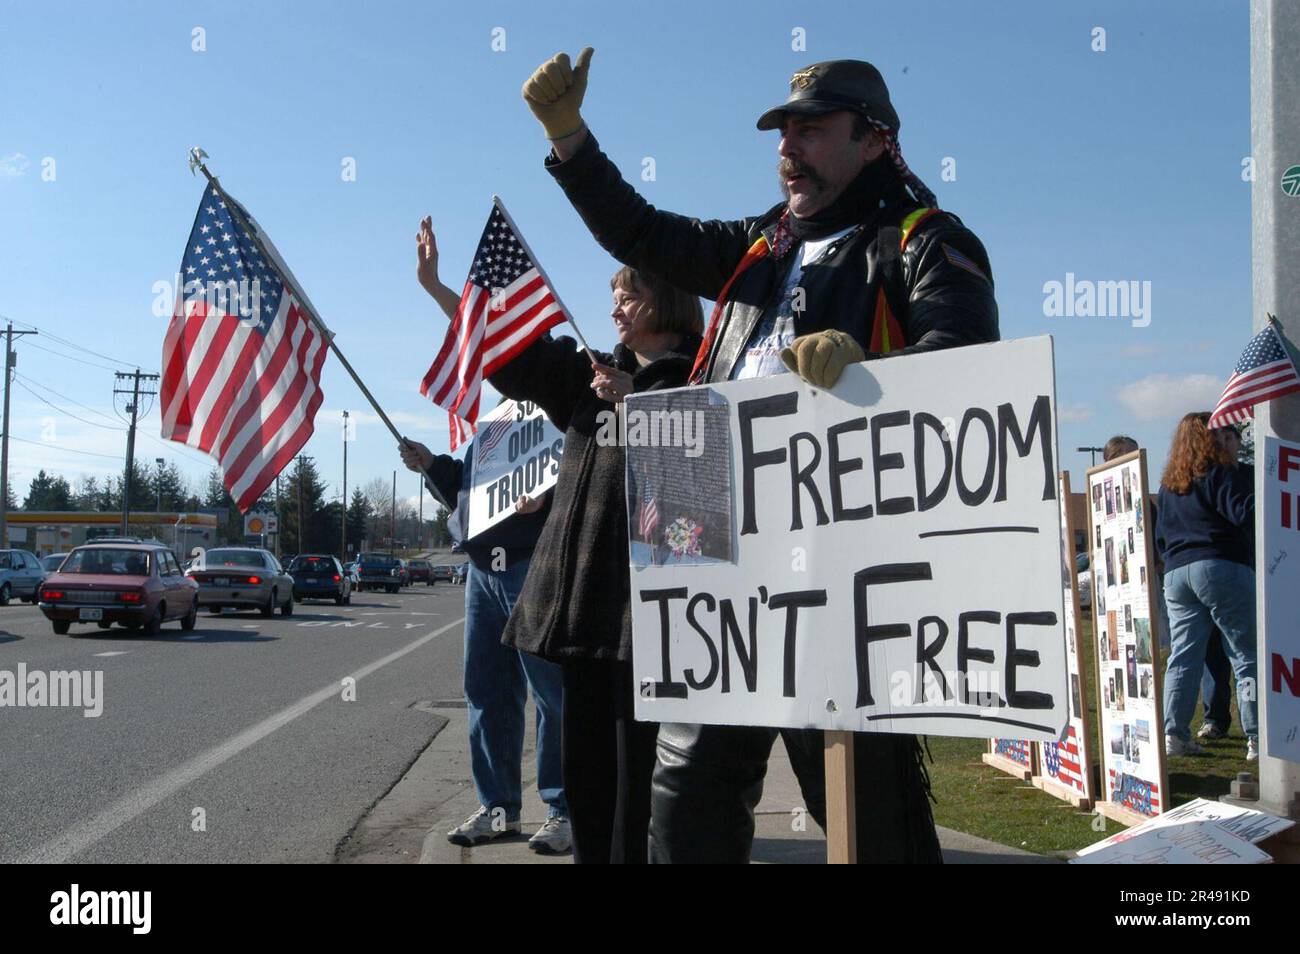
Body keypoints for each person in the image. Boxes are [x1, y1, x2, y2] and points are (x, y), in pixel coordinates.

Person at [521, 50, 999, 863]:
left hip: (842, 588)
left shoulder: (923, 243)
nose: (788, 149)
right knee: (685, 811)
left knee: (868, 821)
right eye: (783, 133)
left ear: (875, 139)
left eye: (811, 131)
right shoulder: (757, 246)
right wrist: (571, 138)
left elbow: (968, 374)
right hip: (717, 573)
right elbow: (640, 231)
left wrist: (870, 377)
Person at [414, 218, 704, 863]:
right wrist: (442, 293)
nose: (615, 308)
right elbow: (510, 353)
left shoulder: (702, 378)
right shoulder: (595, 375)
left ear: (665, 300)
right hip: (578, 608)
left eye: (627, 296)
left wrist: (639, 406)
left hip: (648, 616)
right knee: (590, 774)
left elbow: (698, 485)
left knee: (638, 778)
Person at [399, 235, 570, 853]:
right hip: (483, 572)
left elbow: (588, 467)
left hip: (536, 568)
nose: (492, 346)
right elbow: (470, 490)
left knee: (554, 697)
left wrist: (553, 496)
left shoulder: (564, 388)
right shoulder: (497, 416)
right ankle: (497, 809)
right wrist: (432, 466)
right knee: (489, 694)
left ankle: (566, 810)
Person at [1154, 413, 1257, 761]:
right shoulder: (1221, 473)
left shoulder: (1169, 485)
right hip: (1220, 564)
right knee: (1245, 654)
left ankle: (1175, 735)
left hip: (1176, 573)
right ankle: (1258, 737)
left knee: (1183, 658)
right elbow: (1246, 512)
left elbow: (1160, 538)